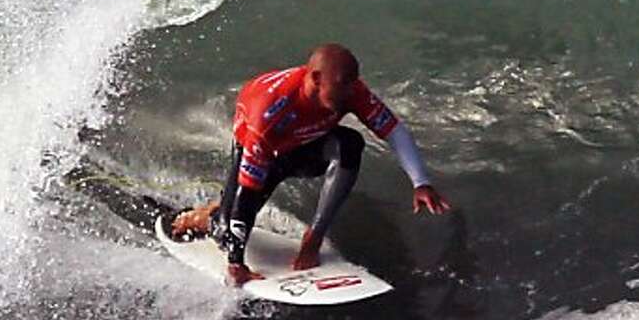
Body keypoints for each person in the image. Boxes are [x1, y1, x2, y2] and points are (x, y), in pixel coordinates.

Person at [169, 43, 452, 286]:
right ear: (315, 78)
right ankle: (210, 217)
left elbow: (394, 131)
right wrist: (236, 263)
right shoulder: (268, 114)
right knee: (226, 233)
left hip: (307, 149)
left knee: (350, 143)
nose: (350, 93)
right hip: (264, 152)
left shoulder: (349, 89)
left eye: (354, 83)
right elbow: (248, 189)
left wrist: (420, 182)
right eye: (343, 84)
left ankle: (313, 237)